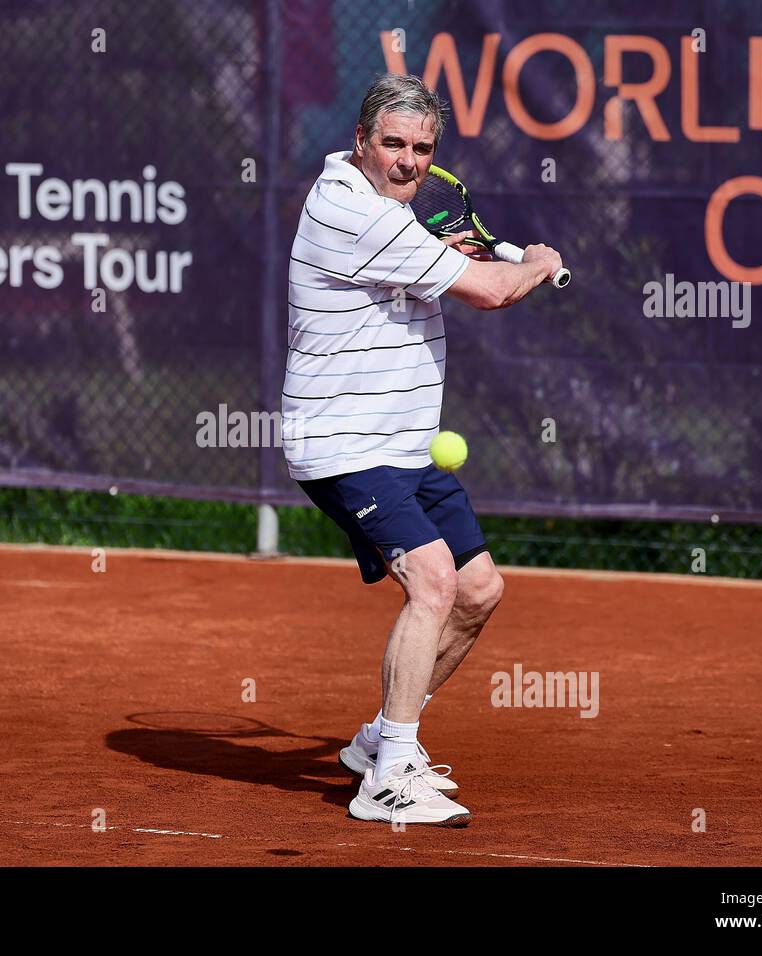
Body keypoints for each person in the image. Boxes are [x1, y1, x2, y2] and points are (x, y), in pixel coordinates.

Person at [281, 72, 564, 826]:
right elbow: (493, 292)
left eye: (422, 148)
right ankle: (389, 780)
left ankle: (380, 741)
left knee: (478, 593)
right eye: (393, 145)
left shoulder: (393, 212)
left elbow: (456, 265)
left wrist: (501, 262)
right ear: (361, 144)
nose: (407, 161)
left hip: (405, 444)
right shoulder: (352, 213)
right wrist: (535, 262)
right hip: (343, 443)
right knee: (433, 583)